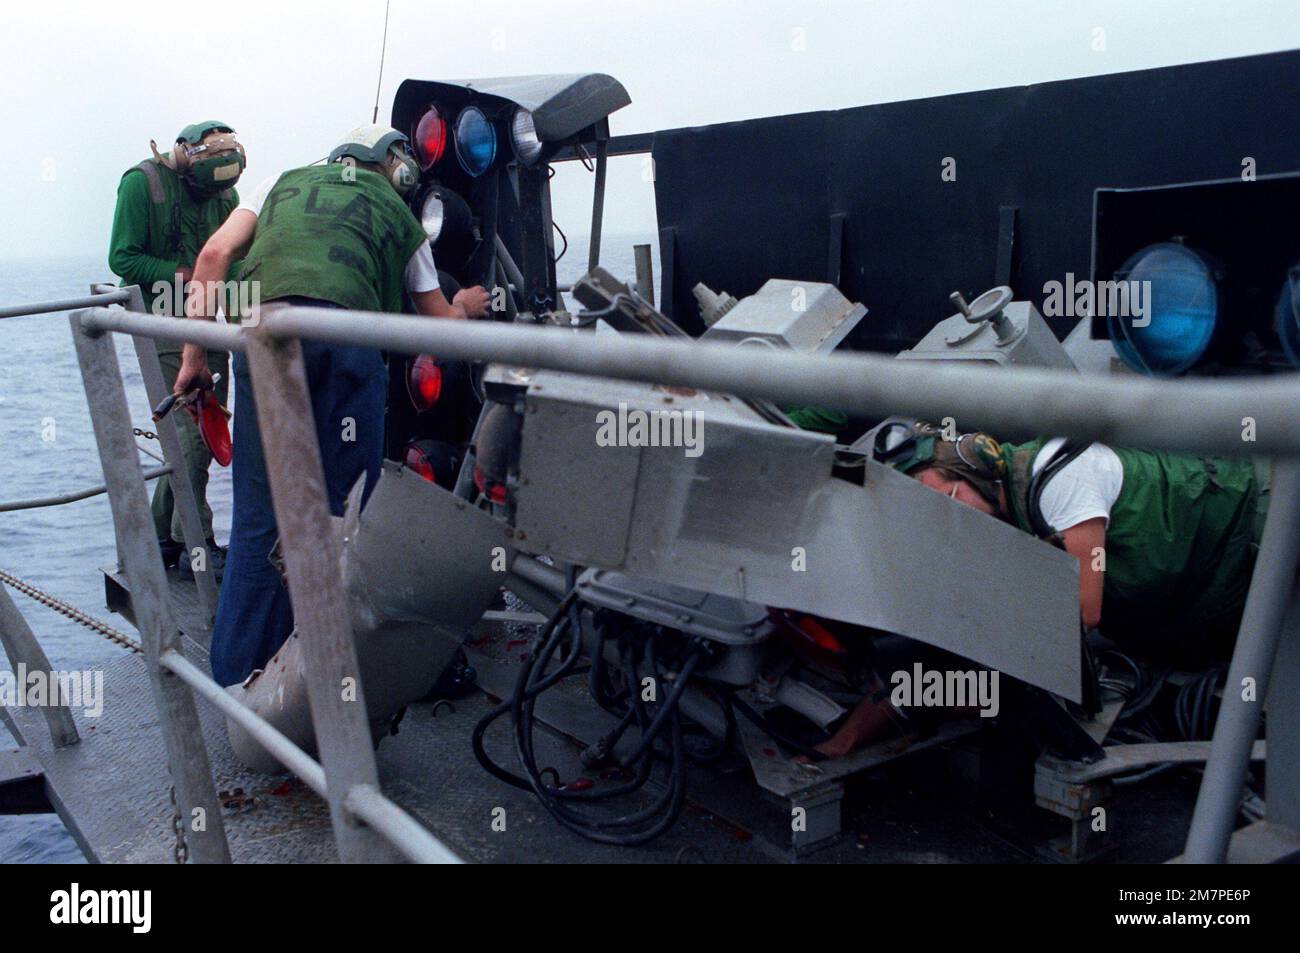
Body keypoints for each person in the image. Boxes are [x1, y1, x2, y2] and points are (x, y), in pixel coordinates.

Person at [174, 124, 491, 686]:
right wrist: (466, 304)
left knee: (259, 519)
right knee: (346, 519)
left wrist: (196, 359)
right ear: (399, 168)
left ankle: (238, 685)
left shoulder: (277, 183)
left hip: (265, 338)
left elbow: (213, 256)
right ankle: (339, 677)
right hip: (345, 344)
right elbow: (442, 327)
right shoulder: (402, 219)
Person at [814, 419, 1266, 758]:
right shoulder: (1006, 516)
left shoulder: (1060, 478)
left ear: (974, 471)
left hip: (1253, 526)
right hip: (1205, 593)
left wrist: (967, 689)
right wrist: (854, 734)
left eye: (947, 503)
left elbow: (1082, 610)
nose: (950, 523)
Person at [108, 121, 247, 574]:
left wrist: (251, 317)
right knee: (192, 432)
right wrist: (184, 275)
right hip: (162, 315)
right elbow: (122, 258)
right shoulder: (141, 184)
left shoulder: (225, 194)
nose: (217, 202)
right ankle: (196, 542)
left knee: (202, 434)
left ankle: (159, 536)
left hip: (208, 322)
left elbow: (239, 260)